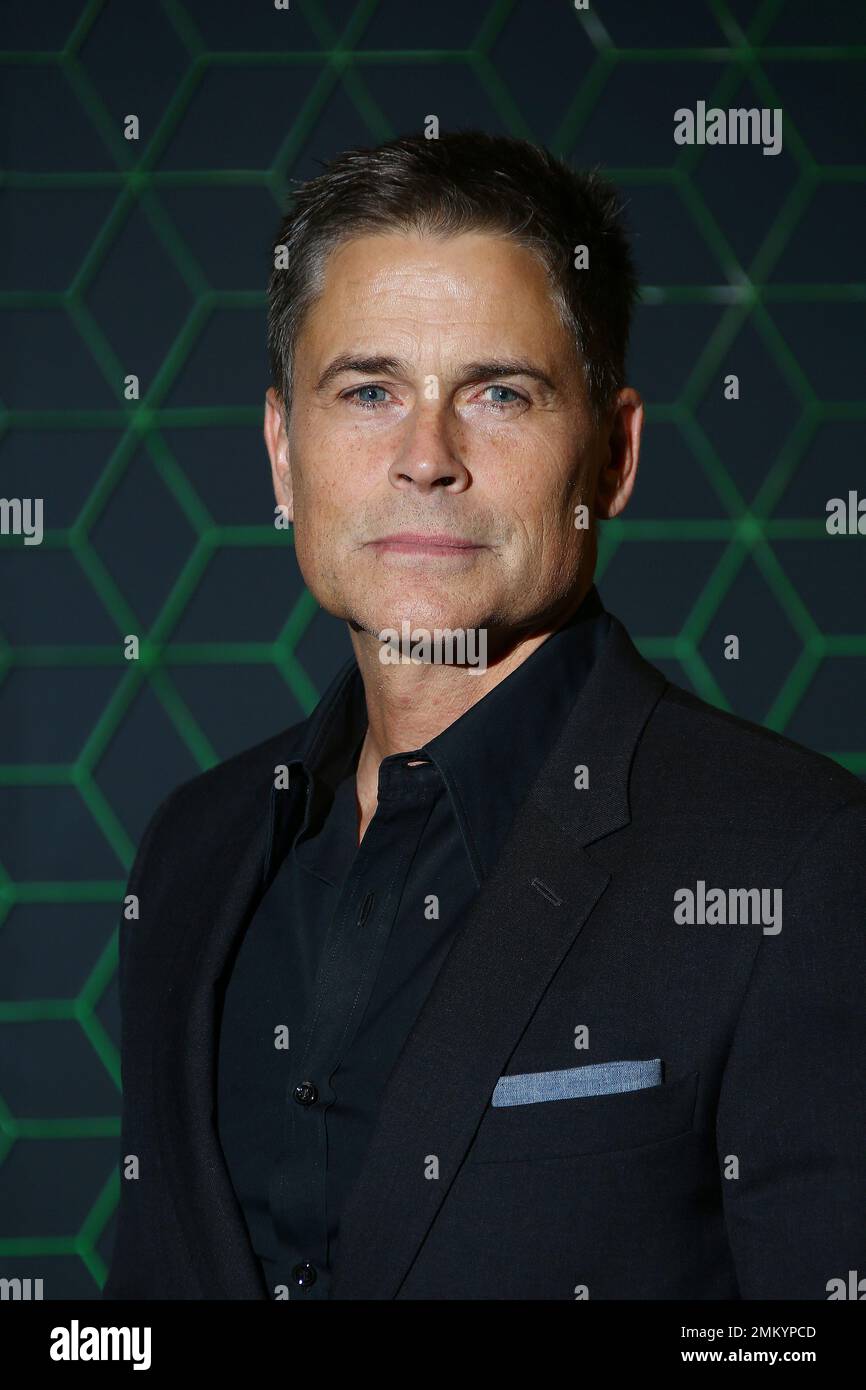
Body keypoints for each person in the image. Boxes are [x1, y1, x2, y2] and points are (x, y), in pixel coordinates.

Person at [104, 131, 866, 1301]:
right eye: (367, 391)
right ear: (280, 452)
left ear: (609, 455)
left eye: (497, 393)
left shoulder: (800, 863)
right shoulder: (192, 850)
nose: (425, 458)